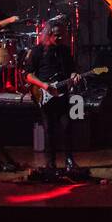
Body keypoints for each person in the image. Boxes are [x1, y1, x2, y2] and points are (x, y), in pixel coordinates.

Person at [25, 25, 83, 174]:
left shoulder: (64, 51)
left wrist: (74, 76)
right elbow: (28, 75)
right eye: (56, 35)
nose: (60, 38)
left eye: (61, 35)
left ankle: (69, 160)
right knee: (49, 128)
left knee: (66, 126)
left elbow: (71, 71)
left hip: (62, 95)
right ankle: (50, 162)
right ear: (48, 35)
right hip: (45, 96)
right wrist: (43, 85)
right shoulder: (37, 51)